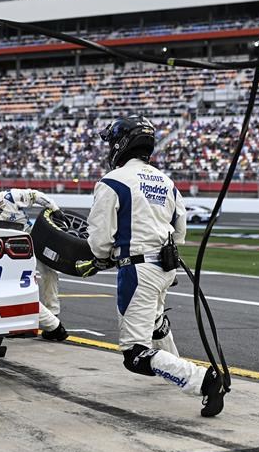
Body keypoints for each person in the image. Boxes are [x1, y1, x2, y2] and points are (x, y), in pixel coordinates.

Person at [76, 115, 224, 417]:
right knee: (155, 323)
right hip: (166, 266)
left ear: (120, 144)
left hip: (137, 269)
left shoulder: (112, 181)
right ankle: (174, 367)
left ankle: (203, 380)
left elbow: (100, 239)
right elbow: (179, 231)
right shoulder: (165, 181)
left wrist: (102, 257)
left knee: (135, 354)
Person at [0, 177, 68, 341]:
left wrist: (54, 209)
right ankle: (24, 322)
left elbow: (35, 195)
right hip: (11, 254)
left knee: (49, 273)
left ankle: (53, 313)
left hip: (32, 240)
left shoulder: (10, 197)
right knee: (20, 285)